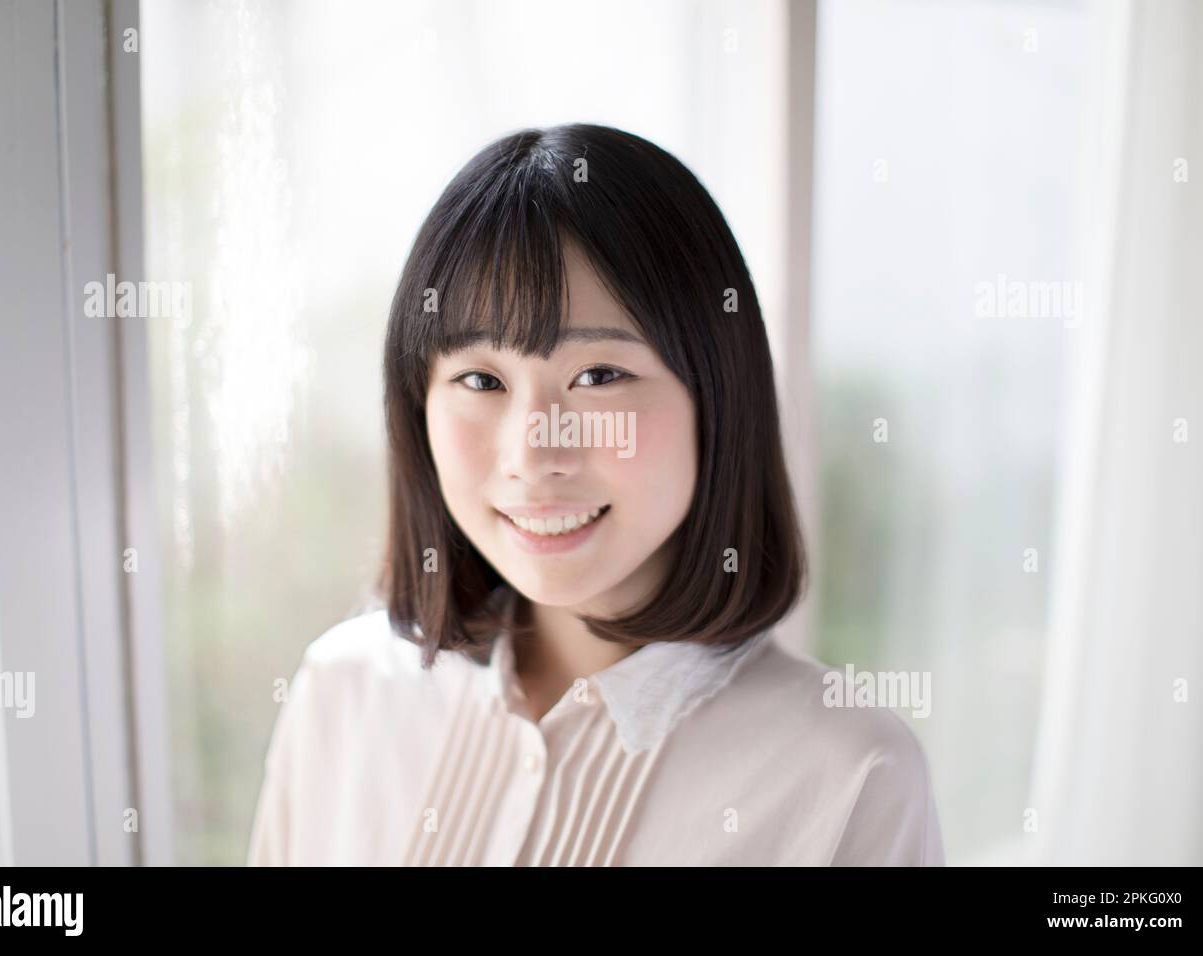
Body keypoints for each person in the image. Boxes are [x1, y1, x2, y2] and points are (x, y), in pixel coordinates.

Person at [247, 123, 944, 866]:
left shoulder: (847, 779)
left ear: (717, 394)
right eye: (481, 381)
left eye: (599, 376)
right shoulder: (344, 694)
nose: (531, 454)